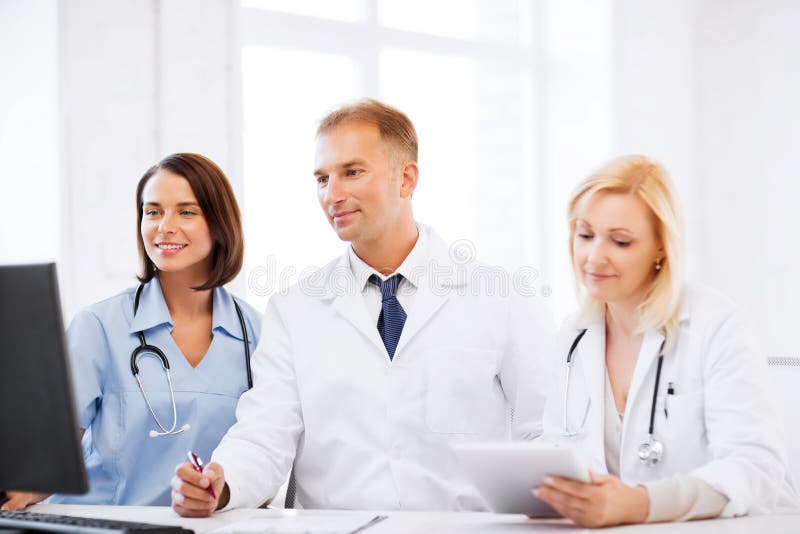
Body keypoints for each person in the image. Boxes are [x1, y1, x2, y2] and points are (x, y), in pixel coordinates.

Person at [170, 98, 553, 516]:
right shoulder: (295, 309)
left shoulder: (501, 297)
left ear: (406, 179)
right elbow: (265, 434)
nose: (332, 194)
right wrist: (221, 484)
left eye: (352, 172)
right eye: (321, 178)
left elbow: (547, 432)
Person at [534, 155, 798, 526]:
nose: (594, 256)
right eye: (585, 235)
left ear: (661, 247)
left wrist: (643, 503)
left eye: (621, 242)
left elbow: (754, 467)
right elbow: (557, 449)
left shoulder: (717, 327)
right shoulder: (574, 336)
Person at [1, 153, 261, 509]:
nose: (164, 226)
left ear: (219, 224)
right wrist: (19, 491)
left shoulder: (255, 335)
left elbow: (263, 455)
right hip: (101, 525)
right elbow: (46, 463)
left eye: (186, 211)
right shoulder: (98, 326)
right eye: (152, 211)